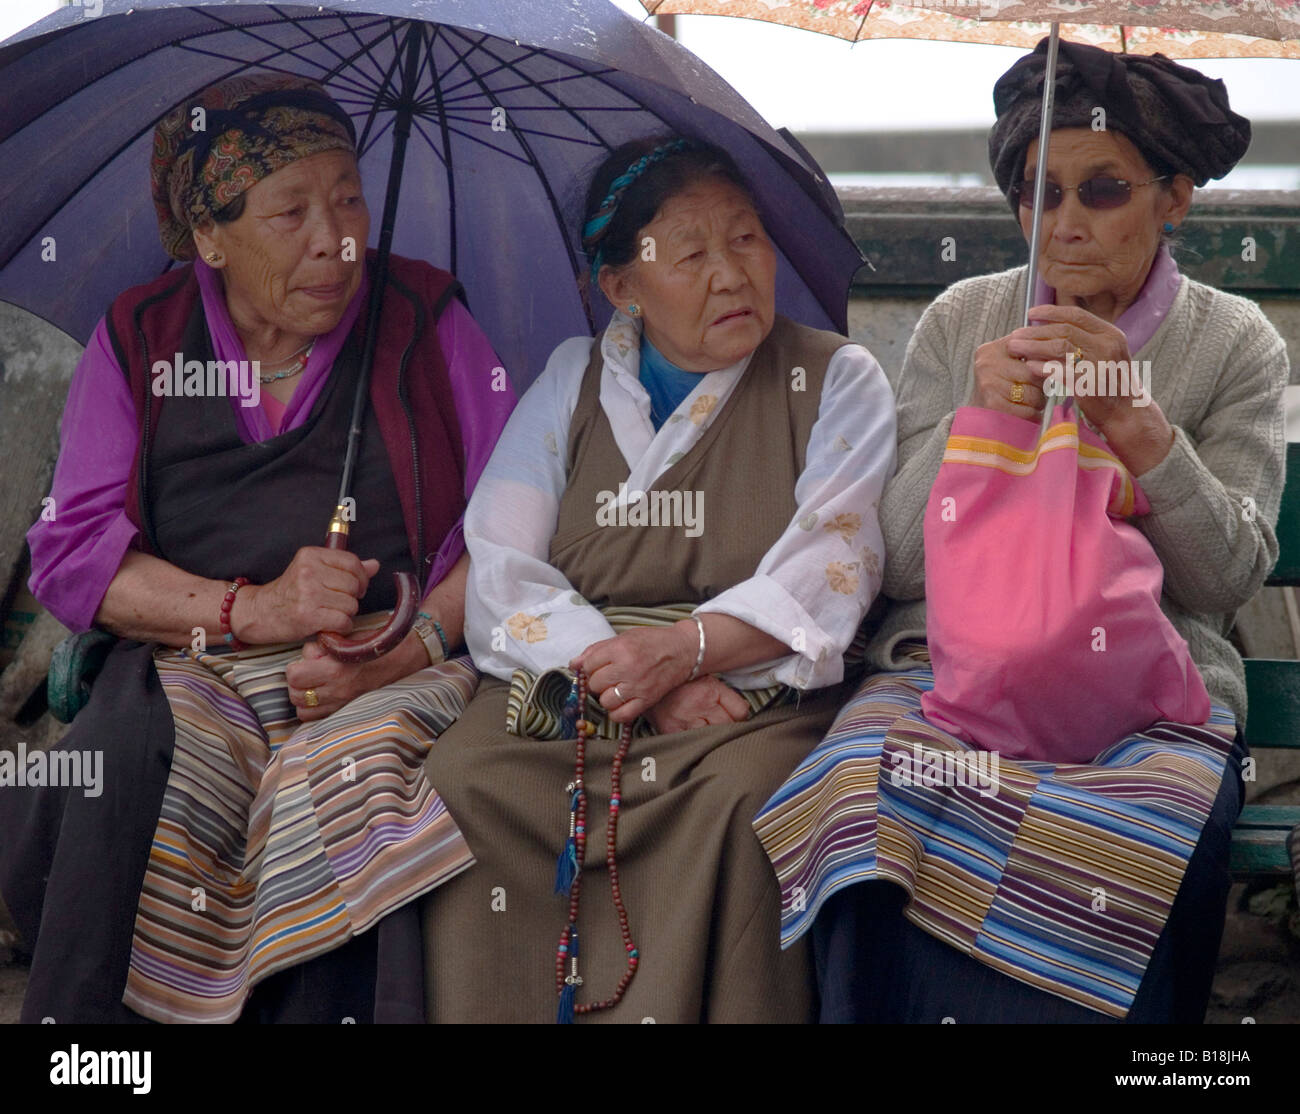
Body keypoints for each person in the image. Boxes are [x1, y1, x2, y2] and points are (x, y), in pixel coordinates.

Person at [756, 39, 1289, 1023]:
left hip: (1149, 701)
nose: (1063, 225)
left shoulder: (1232, 343)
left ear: (1173, 198)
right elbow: (901, 564)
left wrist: (1137, 426)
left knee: (1149, 831)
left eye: (1102, 192)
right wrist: (976, 419)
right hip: (952, 677)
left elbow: (1227, 576)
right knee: (855, 790)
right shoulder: (967, 320)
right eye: (1038, 194)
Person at [0, 73, 516, 1023]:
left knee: (353, 782)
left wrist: (400, 649)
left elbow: (515, 532)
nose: (336, 239)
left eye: (349, 199)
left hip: (401, 659)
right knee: (134, 765)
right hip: (197, 660)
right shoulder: (143, 337)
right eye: (291, 211)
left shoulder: (428, 322)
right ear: (210, 238)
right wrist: (255, 610)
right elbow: (74, 559)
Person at [418, 135, 896, 1023]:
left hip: (751, 695)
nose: (731, 274)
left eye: (746, 240)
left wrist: (683, 653)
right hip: (580, 687)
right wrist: (627, 674)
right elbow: (501, 567)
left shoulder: (835, 377)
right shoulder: (572, 379)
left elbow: (833, 566)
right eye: (691, 253)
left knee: (750, 806)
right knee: (465, 779)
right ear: (622, 287)